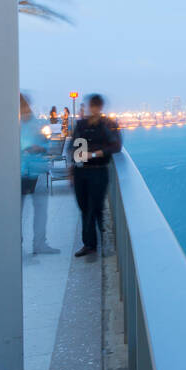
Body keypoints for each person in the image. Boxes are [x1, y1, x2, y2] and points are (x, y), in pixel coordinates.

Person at [70, 93, 121, 258]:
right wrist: (72, 168)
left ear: (100, 107)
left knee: (96, 207)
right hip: (81, 171)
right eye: (92, 105)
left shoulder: (108, 124)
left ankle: (104, 243)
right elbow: (74, 146)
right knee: (84, 207)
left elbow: (116, 146)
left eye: (96, 105)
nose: (94, 109)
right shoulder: (82, 125)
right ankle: (89, 244)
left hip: (98, 170)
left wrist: (95, 153)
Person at [21, 93, 60, 255]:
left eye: (24, 104)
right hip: (18, 174)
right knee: (16, 213)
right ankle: (15, 244)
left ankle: (40, 244)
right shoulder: (11, 125)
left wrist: (41, 147)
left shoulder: (38, 124)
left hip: (38, 172)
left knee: (41, 211)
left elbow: (49, 144)